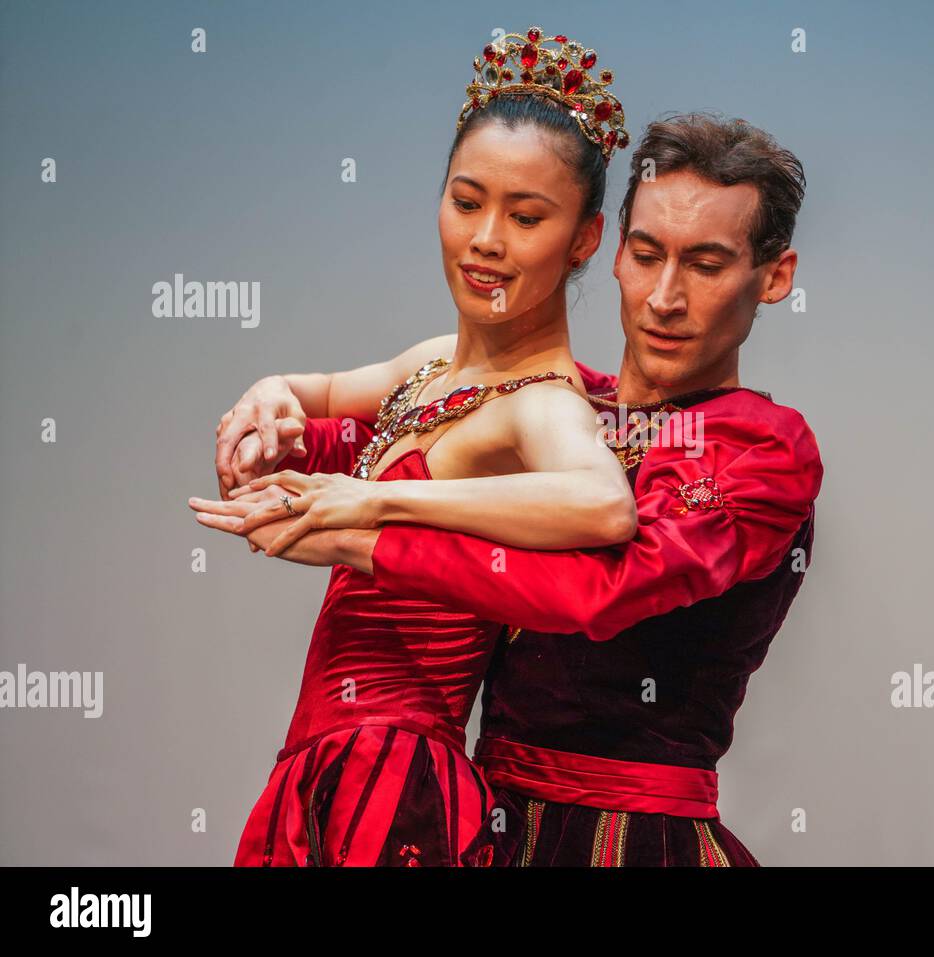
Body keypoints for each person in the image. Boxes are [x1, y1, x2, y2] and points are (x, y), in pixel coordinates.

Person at [201, 112, 821, 866]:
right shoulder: (556, 406)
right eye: (648, 253)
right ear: (611, 252)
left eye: (707, 264)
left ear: (775, 276)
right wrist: (278, 419)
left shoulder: (758, 447)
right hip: (477, 825)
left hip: (629, 841)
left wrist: (371, 536)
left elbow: (607, 585)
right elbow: (397, 451)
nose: (663, 297)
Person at [189, 27, 640, 866]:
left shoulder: (538, 403)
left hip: (394, 774)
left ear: (585, 240)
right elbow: (315, 393)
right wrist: (268, 397)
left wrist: (379, 503)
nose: (487, 239)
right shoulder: (431, 362)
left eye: (528, 215)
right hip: (328, 764)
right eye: (467, 201)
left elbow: (606, 504)